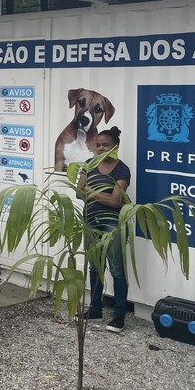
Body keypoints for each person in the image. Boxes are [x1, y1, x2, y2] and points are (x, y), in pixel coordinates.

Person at [76, 126, 131, 333]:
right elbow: (78, 193)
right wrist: (103, 195)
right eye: (97, 145)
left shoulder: (122, 169)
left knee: (117, 269)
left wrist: (91, 191)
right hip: (90, 221)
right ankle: (95, 309)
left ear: (115, 146)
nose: (100, 149)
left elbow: (115, 201)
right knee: (94, 267)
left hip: (112, 224)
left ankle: (119, 316)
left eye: (105, 145)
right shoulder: (88, 165)